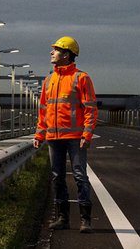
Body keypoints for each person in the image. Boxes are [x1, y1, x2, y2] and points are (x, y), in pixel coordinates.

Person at [33, 36, 98, 232]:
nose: (51, 53)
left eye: (56, 50)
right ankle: (63, 218)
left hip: (75, 139)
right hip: (54, 138)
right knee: (57, 177)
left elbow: (90, 109)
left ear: (66, 54)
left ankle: (85, 220)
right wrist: (39, 135)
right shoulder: (49, 80)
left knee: (80, 176)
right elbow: (43, 110)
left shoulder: (81, 78)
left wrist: (87, 135)